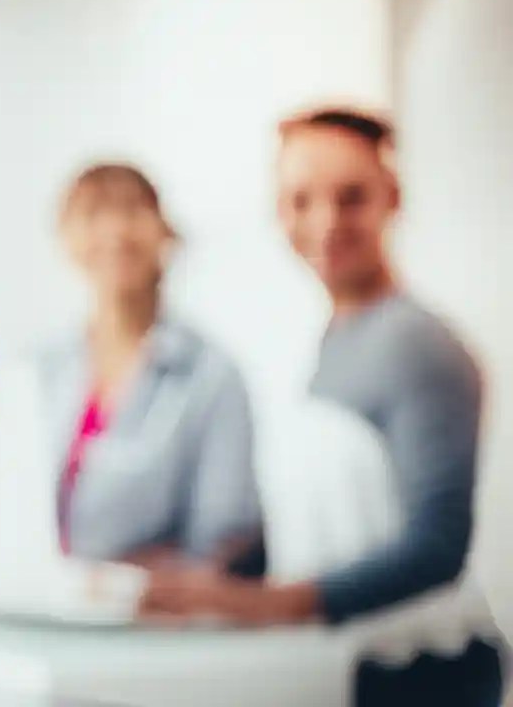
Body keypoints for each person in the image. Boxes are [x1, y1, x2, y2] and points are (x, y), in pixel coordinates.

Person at [139, 108, 503, 706]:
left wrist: (265, 605)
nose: (326, 221)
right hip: (360, 669)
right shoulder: (333, 336)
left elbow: (437, 544)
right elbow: (342, 519)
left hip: (429, 676)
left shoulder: (418, 344)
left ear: (393, 197)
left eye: (352, 197)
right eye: (300, 200)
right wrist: (210, 577)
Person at [36, 163, 262, 569]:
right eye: (93, 214)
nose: (115, 231)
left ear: (165, 231)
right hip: (43, 612)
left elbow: (225, 540)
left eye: (132, 210)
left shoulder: (213, 375)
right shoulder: (40, 368)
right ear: (66, 238)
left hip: (154, 621)